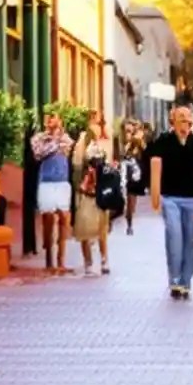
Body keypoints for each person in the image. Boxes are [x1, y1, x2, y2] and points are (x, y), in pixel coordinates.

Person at [147, 105, 193, 300]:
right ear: (172, 121)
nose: (185, 121)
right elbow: (155, 170)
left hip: (191, 199)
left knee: (190, 241)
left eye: (188, 118)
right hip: (170, 198)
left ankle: (185, 282)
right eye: (181, 117)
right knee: (175, 236)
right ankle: (174, 281)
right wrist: (155, 198)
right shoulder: (162, 142)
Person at [31, 113, 74, 273]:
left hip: (62, 181)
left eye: (55, 119)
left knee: (64, 218)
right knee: (48, 220)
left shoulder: (65, 137)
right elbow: (39, 153)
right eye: (49, 119)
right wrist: (55, 141)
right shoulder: (38, 138)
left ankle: (61, 261)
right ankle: (49, 260)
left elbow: (68, 146)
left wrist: (57, 140)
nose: (51, 122)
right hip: (46, 182)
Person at [72, 110, 113, 276]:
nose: (95, 125)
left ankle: (104, 259)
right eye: (93, 121)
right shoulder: (83, 140)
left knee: (102, 227)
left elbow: (111, 165)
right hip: (87, 188)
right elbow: (76, 165)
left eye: (98, 122)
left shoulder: (106, 141)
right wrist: (78, 186)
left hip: (102, 189)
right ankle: (88, 262)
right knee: (84, 226)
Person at [120, 119, 148, 235]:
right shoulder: (122, 140)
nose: (129, 131)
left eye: (130, 128)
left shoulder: (137, 140)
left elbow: (144, 150)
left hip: (134, 170)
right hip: (124, 169)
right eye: (127, 129)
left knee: (132, 197)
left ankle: (129, 220)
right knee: (127, 195)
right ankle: (129, 220)